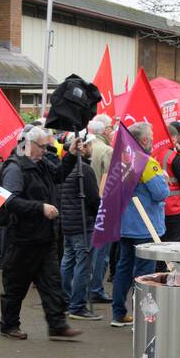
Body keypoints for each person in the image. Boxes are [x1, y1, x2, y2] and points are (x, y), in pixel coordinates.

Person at [0, 127, 83, 341]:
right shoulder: (15, 168)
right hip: (23, 239)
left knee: (52, 283)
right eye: (43, 146)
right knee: (15, 285)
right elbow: (10, 201)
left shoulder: (40, 163)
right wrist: (41, 208)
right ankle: (9, 325)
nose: (46, 151)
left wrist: (71, 155)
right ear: (28, 144)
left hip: (45, 238)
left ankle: (57, 324)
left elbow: (58, 175)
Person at [109, 122, 169, 328]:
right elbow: (161, 193)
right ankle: (146, 317)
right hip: (145, 226)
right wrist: (163, 178)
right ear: (144, 140)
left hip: (125, 225)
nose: (152, 140)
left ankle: (118, 313)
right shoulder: (146, 162)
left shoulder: (121, 160)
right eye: (151, 137)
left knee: (123, 269)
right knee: (145, 274)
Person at [58, 131, 102, 322]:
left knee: (68, 262)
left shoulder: (63, 169)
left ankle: (66, 301)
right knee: (83, 265)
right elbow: (93, 199)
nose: (89, 149)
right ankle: (77, 305)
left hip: (67, 222)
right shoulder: (84, 170)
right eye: (87, 145)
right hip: (82, 224)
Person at [85, 115, 114, 304]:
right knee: (101, 252)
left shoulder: (81, 146)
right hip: (101, 205)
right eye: (111, 128)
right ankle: (96, 288)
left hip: (83, 205)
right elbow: (110, 181)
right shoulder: (107, 150)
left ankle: (84, 286)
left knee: (84, 251)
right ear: (104, 130)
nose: (112, 132)